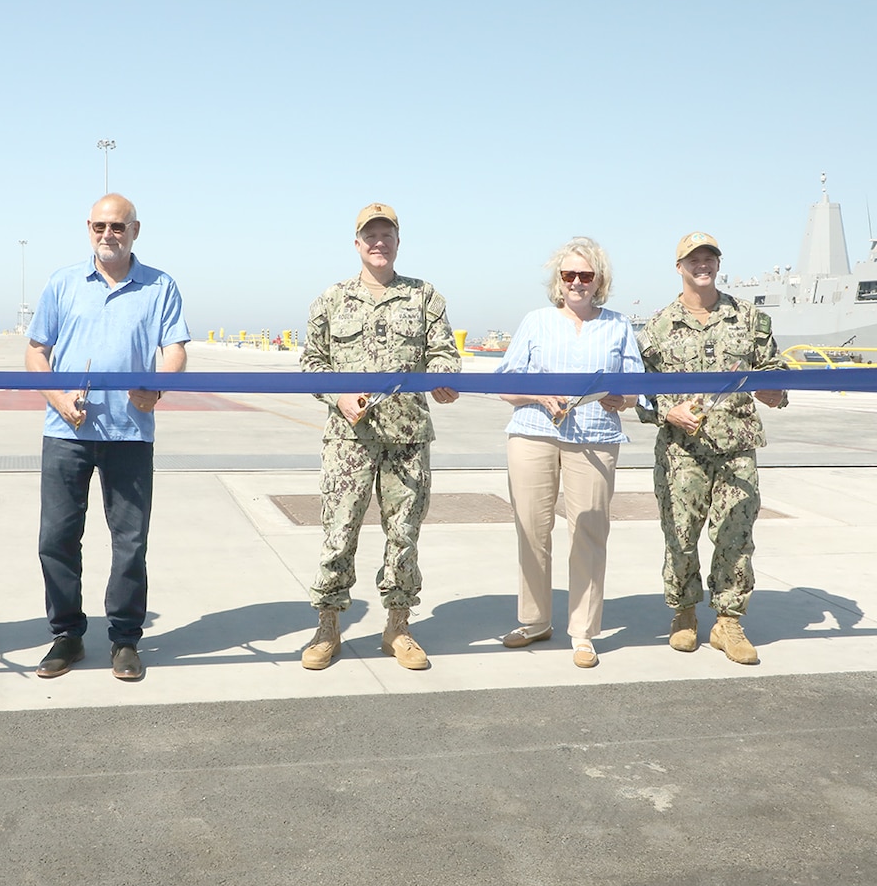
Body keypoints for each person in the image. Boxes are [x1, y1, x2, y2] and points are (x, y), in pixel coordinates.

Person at [26, 193, 190, 682]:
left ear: (135, 230)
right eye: (99, 226)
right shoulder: (63, 283)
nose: (108, 235)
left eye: (118, 226)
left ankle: (124, 639)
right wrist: (56, 397)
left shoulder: (160, 286)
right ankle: (68, 635)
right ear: (88, 228)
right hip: (66, 432)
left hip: (129, 434)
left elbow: (175, 349)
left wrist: (157, 387)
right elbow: (37, 351)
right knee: (55, 538)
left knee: (130, 543)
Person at [299, 202, 461, 671]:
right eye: (369, 235)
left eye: (386, 234)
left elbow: (445, 355)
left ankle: (398, 625)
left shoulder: (425, 295)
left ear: (396, 241)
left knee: (404, 535)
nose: (378, 242)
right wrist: (339, 396)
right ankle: (328, 625)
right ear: (357, 244)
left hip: (407, 436)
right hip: (349, 439)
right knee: (338, 533)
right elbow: (312, 364)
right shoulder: (332, 299)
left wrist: (443, 379)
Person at [637, 231, 787, 664]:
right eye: (693, 259)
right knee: (681, 536)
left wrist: (775, 390)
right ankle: (684, 612)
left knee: (735, 535)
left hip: (736, 445)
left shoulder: (749, 319)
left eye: (710, 258)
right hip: (682, 451)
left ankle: (728, 621)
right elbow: (641, 391)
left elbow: (773, 367)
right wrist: (667, 410)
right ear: (679, 266)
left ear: (718, 264)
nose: (702, 265)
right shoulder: (658, 326)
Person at [495, 237, 642, 668]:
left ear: (599, 281)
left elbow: (637, 388)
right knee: (531, 529)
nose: (577, 282)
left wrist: (624, 400)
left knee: (589, 533)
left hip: (595, 436)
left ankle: (583, 631)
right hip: (533, 433)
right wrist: (540, 397)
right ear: (558, 281)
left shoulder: (618, 325)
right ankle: (535, 620)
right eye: (569, 275)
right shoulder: (536, 322)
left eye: (585, 275)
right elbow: (506, 385)